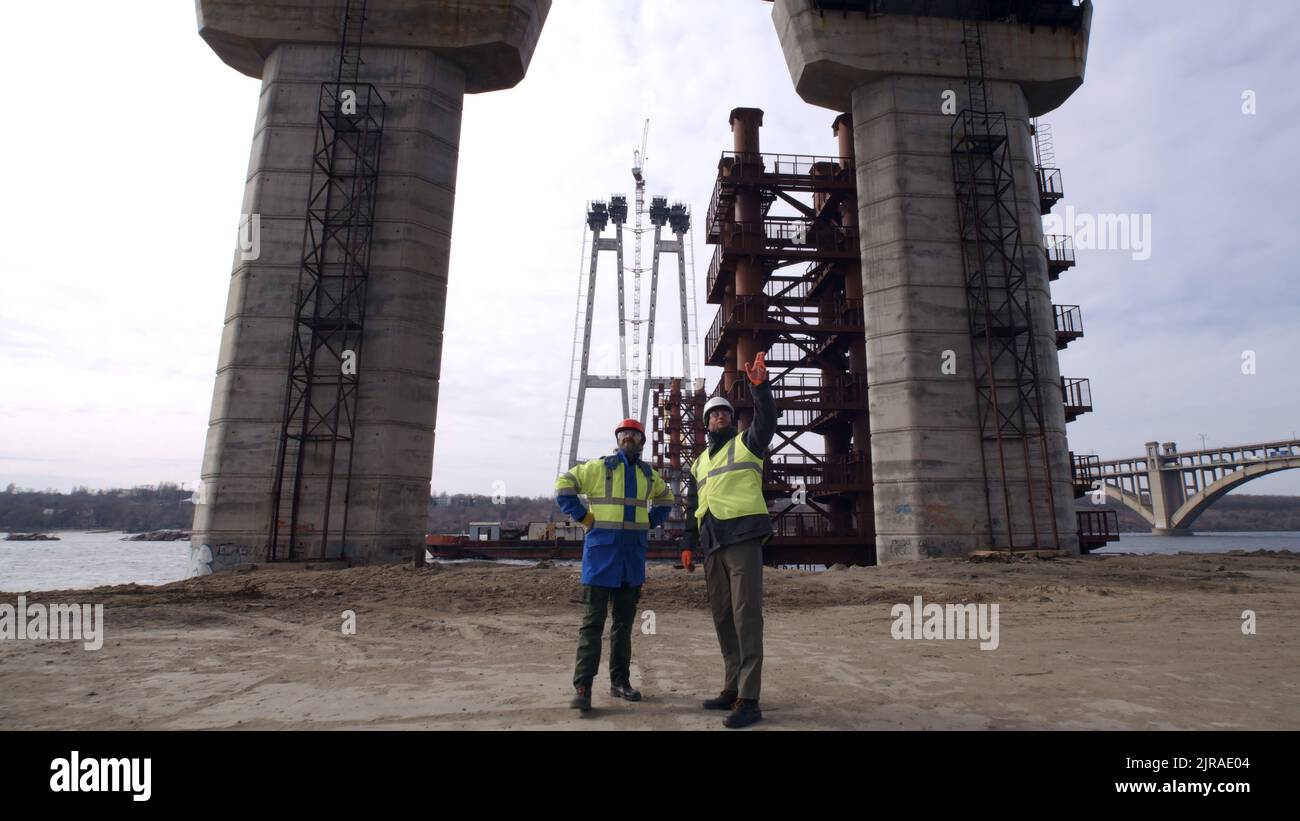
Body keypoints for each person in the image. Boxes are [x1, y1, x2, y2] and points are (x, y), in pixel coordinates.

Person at [680, 352, 775, 728]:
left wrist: (759, 388)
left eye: (724, 414)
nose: (718, 417)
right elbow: (692, 506)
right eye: (713, 415)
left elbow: (767, 421)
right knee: (723, 617)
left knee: (746, 616)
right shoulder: (698, 463)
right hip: (712, 544)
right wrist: (688, 543)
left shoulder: (748, 443)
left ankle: (749, 700)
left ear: (732, 421)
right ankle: (731, 687)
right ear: (706, 424)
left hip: (743, 539)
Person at [555, 417, 674, 712]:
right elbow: (564, 484)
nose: (628, 437)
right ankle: (583, 687)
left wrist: (650, 520)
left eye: (634, 434)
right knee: (592, 625)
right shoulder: (599, 468)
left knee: (623, 625)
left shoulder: (648, 475)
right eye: (624, 433)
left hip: (631, 560)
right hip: (600, 559)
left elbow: (666, 498)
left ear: (642, 441)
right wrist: (584, 517)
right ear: (617, 438)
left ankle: (620, 681)